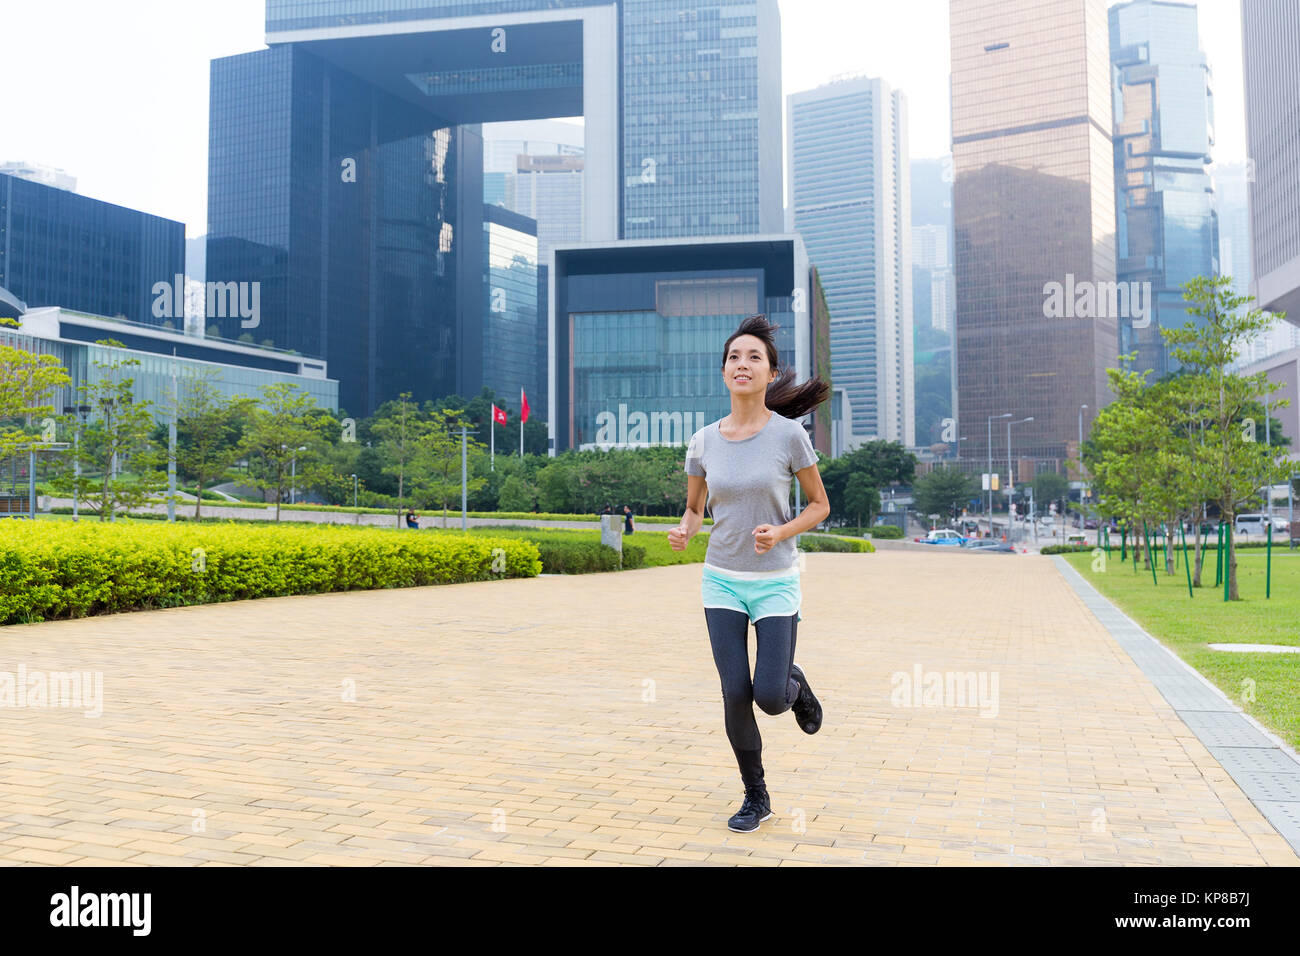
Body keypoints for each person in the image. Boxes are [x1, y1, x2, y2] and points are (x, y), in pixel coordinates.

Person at [668, 314, 832, 833]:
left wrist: (781, 533)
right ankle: (755, 795)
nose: (743, 364)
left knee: (770, 697)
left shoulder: (789, 436)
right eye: (735, 357)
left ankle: (794, 684)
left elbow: (818, 505)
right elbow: (695, 508)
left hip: (776, 581)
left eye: (754, 357)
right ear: (723, 373)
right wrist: (686, 530)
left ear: (769, 372)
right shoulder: (702, 442)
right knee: (735, 692)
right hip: (721, 579)